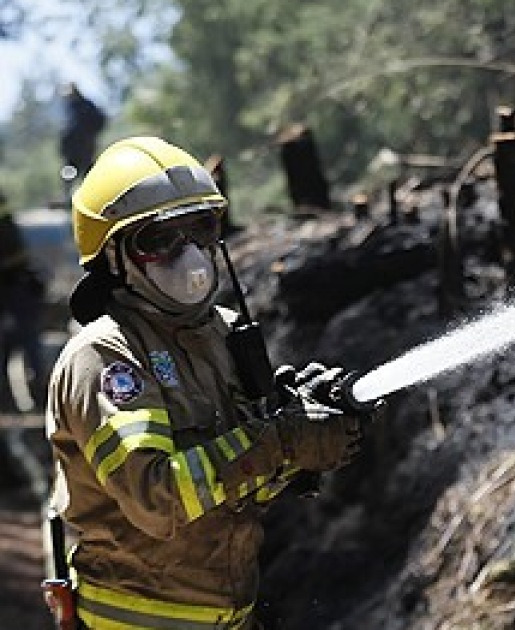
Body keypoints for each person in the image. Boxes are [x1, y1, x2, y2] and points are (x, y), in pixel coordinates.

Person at [45, 136, 365, 629]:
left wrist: (304, 431)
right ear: (113, 258)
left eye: (200, 228)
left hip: (228, 616)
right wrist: (278, 442)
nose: (189, 254)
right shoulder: (106, 357)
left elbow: (234, 487)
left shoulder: (219, 334)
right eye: (158, 240)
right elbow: (157, 499)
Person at [0, 189, 47, 410]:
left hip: (15, 293)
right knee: (27, 347)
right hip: (17, 293)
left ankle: (35, 396)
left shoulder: (6, 225)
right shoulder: (8, 222)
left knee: (26, 346)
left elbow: (16, 258)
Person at [59, 83, 108, 190]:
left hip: (85, 147)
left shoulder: (87, 106)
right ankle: (68, 198)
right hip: (72, 150)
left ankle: (93, 196)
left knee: (88, 174)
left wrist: (90, 134)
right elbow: (68, 129)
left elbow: (100, 120)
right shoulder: (70, 108)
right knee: (69, 173)